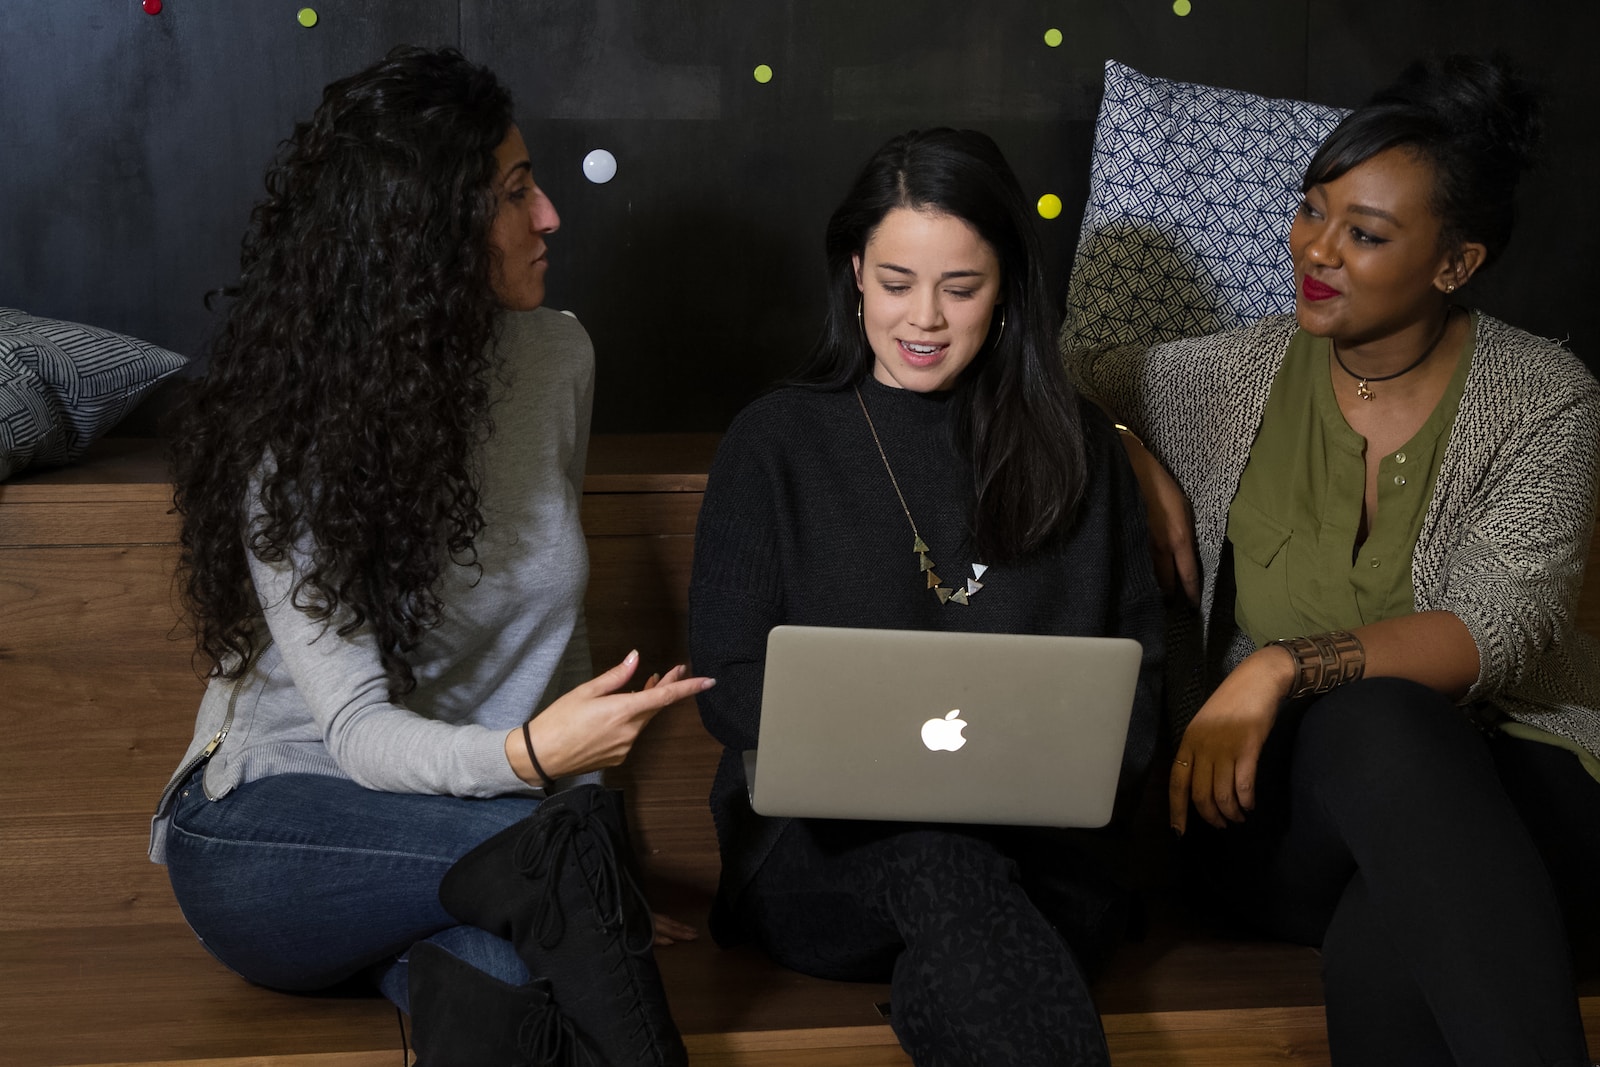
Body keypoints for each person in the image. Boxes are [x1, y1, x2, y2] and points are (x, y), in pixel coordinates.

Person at [148, 46, 712, 1066]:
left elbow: (560, 636)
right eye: (513, 192)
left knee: (514, 1006)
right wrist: (545, 790)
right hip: (269, 840)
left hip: (476, 838)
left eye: (531, 180)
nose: (547, 216)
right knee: (557, 869)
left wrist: (589, 853)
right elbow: (359, 734)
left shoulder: (558, 359)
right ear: (427, 237)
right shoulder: (294, 435)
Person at [1065, 55, 1600, 1067]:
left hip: (1533, 777)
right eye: (1312, 211)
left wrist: (1277, 666)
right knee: (1379, 734)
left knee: (1389, 928)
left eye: (1365, 233)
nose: (1316, 250)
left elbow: (1500, 627)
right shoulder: (1226, 379)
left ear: (1456, 261)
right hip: (1270, 813)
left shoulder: (1542, 396)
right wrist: (1123, 444)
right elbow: (1039, 376)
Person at [689, 127, 1164, 1066]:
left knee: (962, 947)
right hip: (819, 860)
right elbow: (724, 680)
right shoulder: (775, 440)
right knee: (944, 864)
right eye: (897, 282)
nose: (925, 320)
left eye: (962, 287)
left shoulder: (1079, 446)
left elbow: (1140, 690)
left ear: (1009, 289)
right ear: (855, 271)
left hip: (1044, 863)